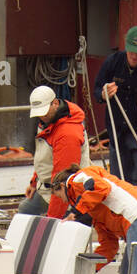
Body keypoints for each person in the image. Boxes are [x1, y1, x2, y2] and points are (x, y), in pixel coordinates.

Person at [59, 165, 137, 274]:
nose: (64, 202)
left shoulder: (78, 179)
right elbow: (109, 246)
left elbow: (101, 188)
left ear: (61, 186)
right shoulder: (97, 211)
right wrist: (90, 268)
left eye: (60, 196)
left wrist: (76, 211)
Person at [93, 26, 137, 194]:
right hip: (118, 134)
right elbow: (97, 90)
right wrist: (103, 95)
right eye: (131, 51)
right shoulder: (112, 63)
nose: (134, 56)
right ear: (126, 46)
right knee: (117, 186)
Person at [25, 84, 89, 219]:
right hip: (47, 188)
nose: (41, 116)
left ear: (55, 104)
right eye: (39, 113)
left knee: (28, 213)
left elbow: (63, 180)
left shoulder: (67, 134)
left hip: (65, 193)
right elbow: (44, 156)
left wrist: (53, 218)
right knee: (25, 210)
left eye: (44, 112)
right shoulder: (46, 121)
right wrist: (34, 182)